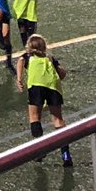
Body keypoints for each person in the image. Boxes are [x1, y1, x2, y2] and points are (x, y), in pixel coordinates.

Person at [22, 35, 74, 166]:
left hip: (36, 86)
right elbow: (62, 74)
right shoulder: (50, 58)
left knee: (34, 117)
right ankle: (66, 154)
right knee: (58, 119)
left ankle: (40, 150)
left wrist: (18, 79)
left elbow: (19, 62)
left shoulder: (28, 57)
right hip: (53, 86)